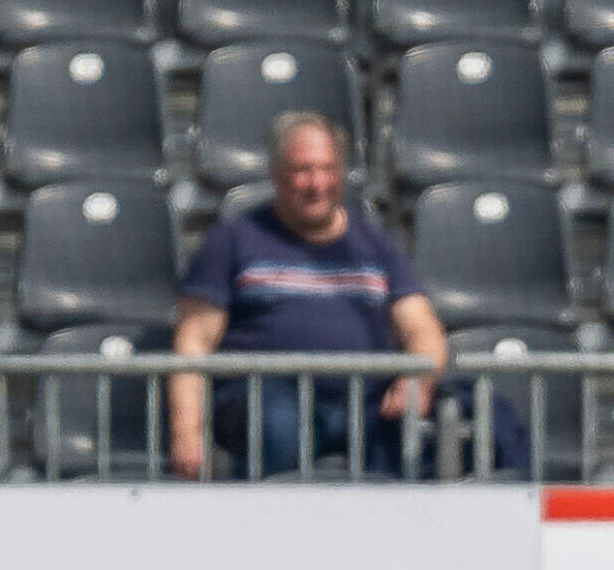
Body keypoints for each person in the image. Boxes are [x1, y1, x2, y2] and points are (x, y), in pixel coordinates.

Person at [169, 113, 514, 479]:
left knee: (462, 420)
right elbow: (194, 341)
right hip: (265, 398)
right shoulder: (234, 241)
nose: (317, 183)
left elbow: (422, 328)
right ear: (276, 173)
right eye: (303, 170)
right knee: (278, 422)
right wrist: (187, 433)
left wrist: (418, 380)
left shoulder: (375, 246)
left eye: (327, 169)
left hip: (362, 402)